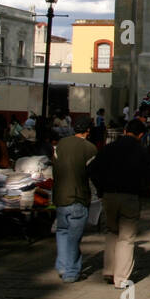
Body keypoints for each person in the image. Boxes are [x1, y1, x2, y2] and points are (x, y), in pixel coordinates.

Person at [87, 118, 150, 288]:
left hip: (109, 195)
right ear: (141, 134)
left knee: (111, 231)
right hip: (130, 196)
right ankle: (121, 278)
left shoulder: (109, 148)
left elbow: (92, 169)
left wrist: (100, 189)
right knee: (126, 237)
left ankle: (108, 270)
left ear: (126, 130)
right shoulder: (141, 151)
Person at [52, 115, 98, 283]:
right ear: (88, 131)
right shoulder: (90, 148)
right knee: (74, 236)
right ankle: (71, 272)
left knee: (62, 231)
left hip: (60, 196)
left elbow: (54, 167)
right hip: (78, 196)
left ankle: (62, 266)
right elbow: (93, 174)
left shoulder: (61, 144)